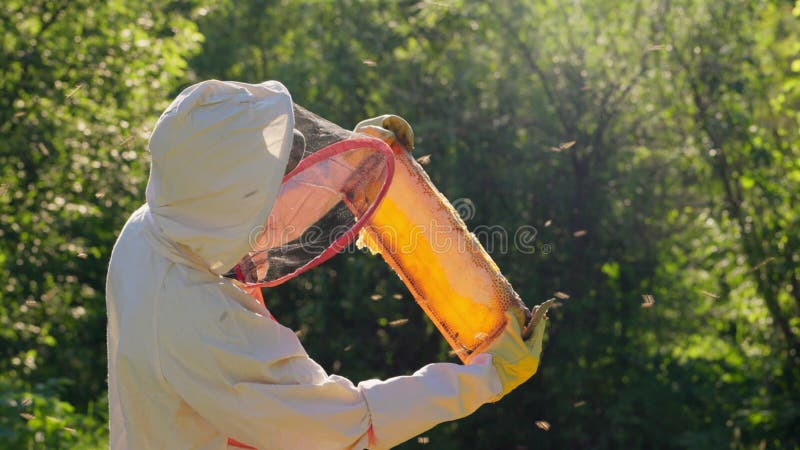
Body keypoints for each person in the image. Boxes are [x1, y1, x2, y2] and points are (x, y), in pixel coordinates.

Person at [106, 79, 548, 449]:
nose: (297, 149)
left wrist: (351, 165)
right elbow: (344, 427)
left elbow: (256, 223)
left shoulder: (153, 227)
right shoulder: (200, 320)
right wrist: (484, 379)